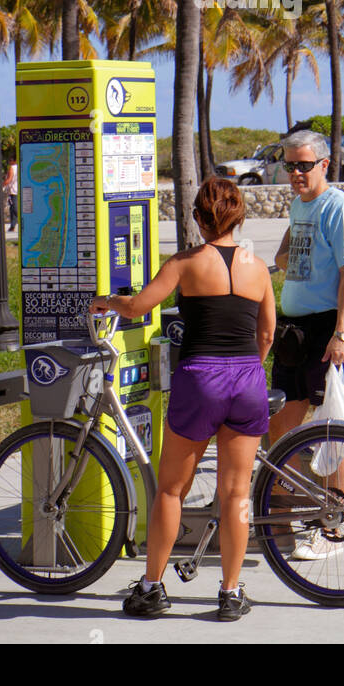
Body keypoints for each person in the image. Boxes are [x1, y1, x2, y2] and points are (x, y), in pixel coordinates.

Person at [90, 176, 275, 621]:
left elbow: (138, 307)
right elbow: (266, 332)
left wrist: (107, 302)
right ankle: (230, 594)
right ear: (240, 217)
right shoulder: (259, 267)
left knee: (172, 489)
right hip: (248, 380)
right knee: (235, 494)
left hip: (200, 379)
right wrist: (249, 365)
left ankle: (152, 588)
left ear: (196, 218)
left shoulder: (186, 263)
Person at [269, 130, 344, 559]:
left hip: (329, 329)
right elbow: (282, 257)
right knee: (278, 429)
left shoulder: (341, 208)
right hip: (294, 328)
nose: (295, 173)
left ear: (324, 164)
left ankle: (329, 527)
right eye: (289, 165)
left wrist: (343, 333)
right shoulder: (299, 204)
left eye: (303, 165)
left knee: (335, 429)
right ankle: (282, 519)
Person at [3, 160, 18, 232]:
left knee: (14, 209)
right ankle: (12, 226)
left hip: (14, 191)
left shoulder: (12, 167)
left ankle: (14, 225)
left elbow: (9, 179)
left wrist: (2, 185)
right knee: (13, 209)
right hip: (18, 190)